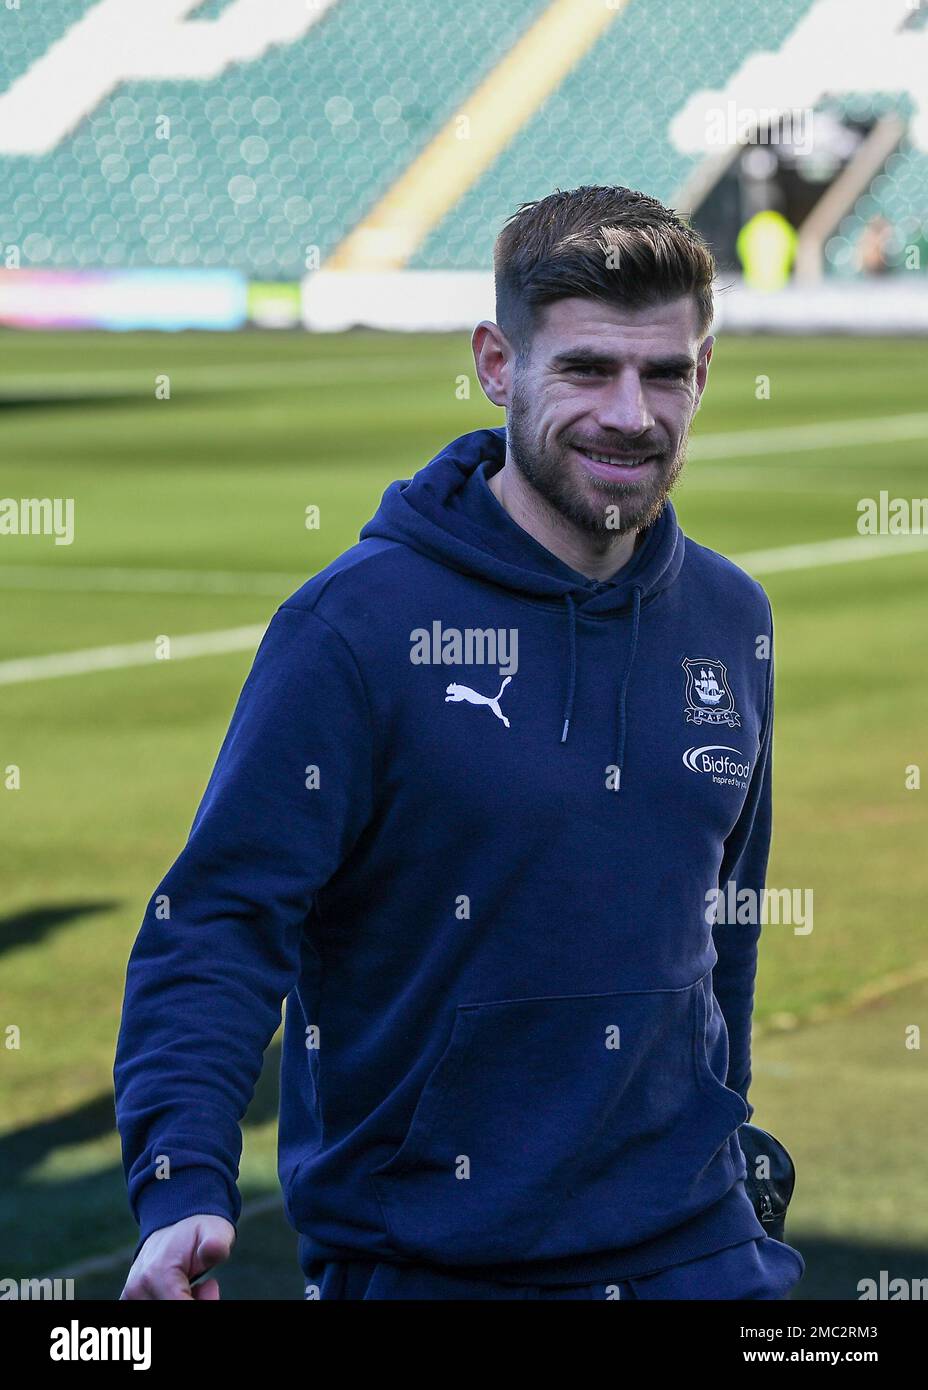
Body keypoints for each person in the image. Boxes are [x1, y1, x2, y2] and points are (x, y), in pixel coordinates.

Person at [114, 184, 805, 1301]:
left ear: (703, 373)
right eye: (587, 369)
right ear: (497, 363)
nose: (632, 413)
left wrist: (729, 1130)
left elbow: (723, 924)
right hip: (438, 1266)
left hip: (703, 1257)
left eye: (664, 372)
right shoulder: (354, 628)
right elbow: (219, 926)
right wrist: (182, 1178)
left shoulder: (733, 617)